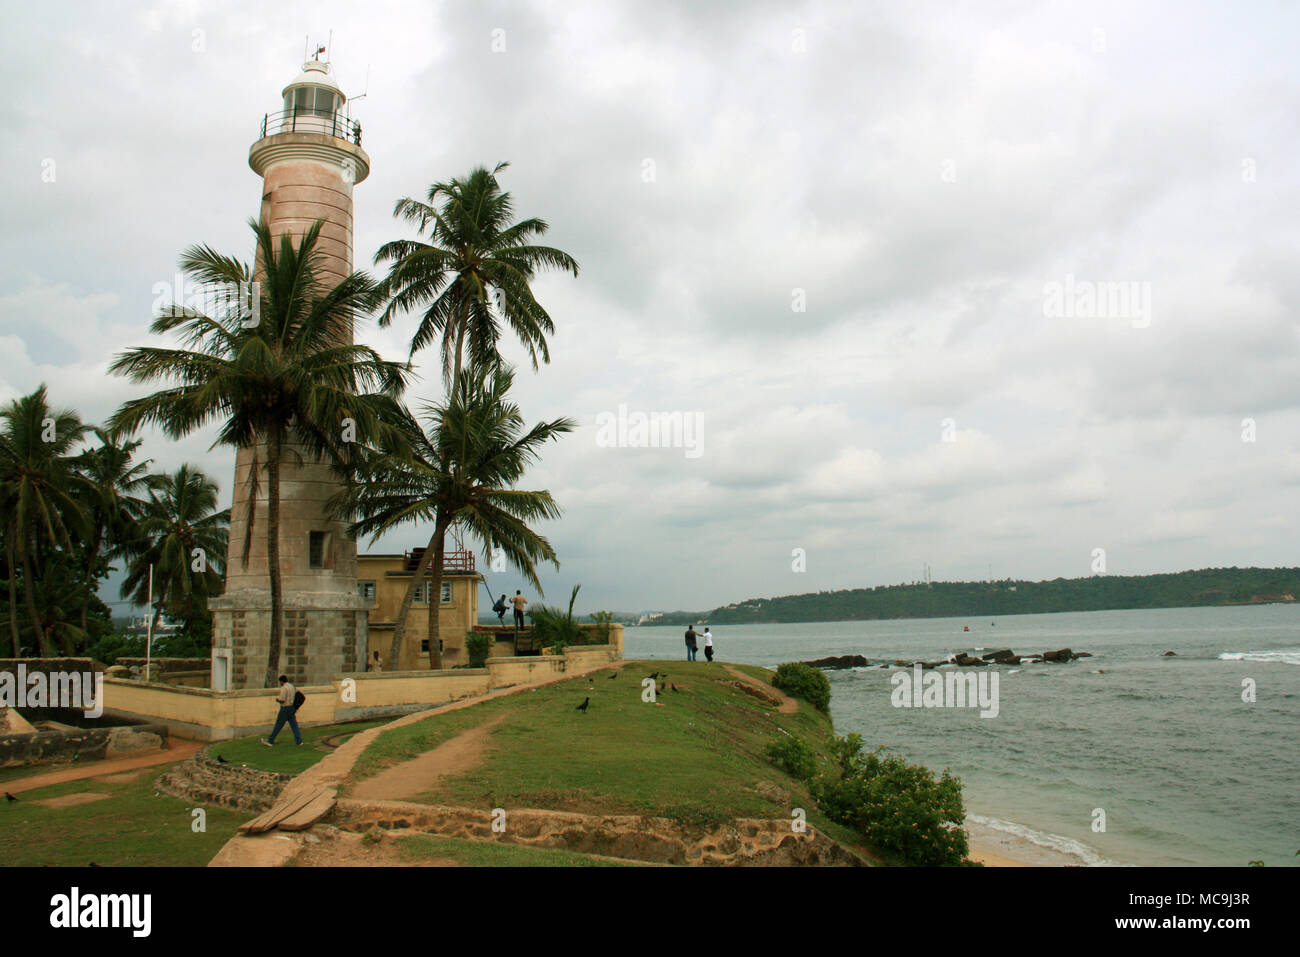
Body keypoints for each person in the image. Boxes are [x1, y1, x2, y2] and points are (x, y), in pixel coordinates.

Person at [262, 674, 303, 747]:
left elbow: (282, 700)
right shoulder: (292, 686)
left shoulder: (284, 688)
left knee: (278, 725)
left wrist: (277, 700)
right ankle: (299, 741)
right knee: (294, 725)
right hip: (291, 707)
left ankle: (270, 740)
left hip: (285, 708)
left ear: (281, 681)